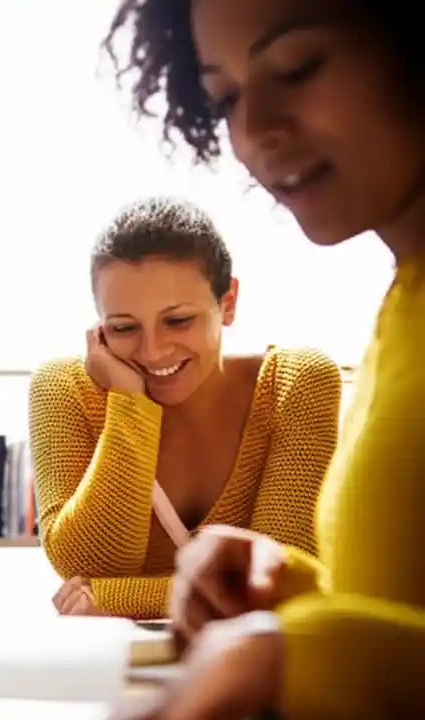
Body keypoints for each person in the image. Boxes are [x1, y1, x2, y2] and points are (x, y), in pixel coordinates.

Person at [105, 1, 425, 718]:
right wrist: (283, 593)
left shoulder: (301, 376)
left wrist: (288, 651)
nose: (254, 131)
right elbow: (389, 611)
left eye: (300, 67)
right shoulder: (402, 309)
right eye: (225, 99)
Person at [29, 196, 341, 621]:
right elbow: (87, 564)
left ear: (227, 303)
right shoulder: (65, 387)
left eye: (178, 321)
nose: (154, 350)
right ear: (100, 326)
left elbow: (276, 583)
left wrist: (118, 598)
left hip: (259, 672)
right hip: (114, 672)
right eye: (124, 327)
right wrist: (130, 401)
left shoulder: (297, 382)